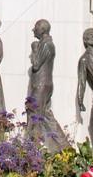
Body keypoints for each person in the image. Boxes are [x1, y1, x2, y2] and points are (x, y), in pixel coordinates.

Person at [26, 19, 69, 152]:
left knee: (34, 114)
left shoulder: (46, 45)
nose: (33, 30)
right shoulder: (45, 44)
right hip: (43, 84)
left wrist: (34, 49)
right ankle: (64, 146)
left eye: (35, 27)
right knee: (45, 115)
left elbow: (36, 64)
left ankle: (33, 148)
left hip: (41, 84)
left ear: (43, 29)